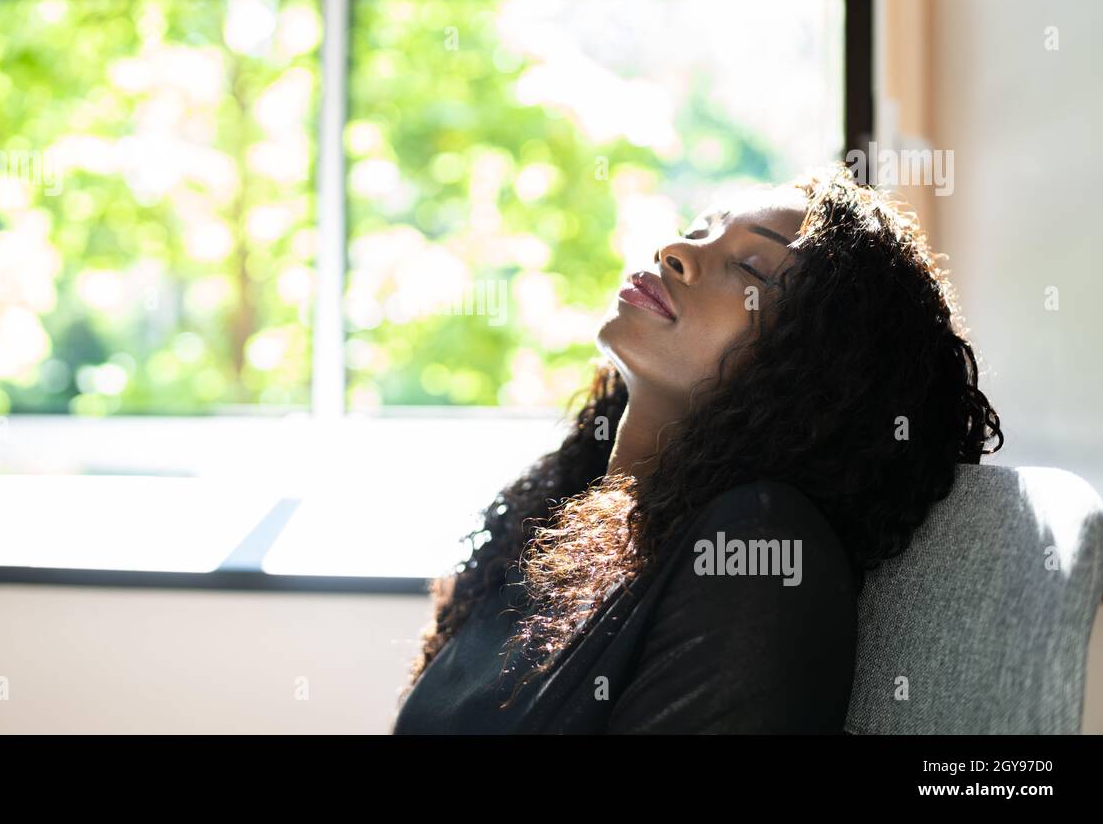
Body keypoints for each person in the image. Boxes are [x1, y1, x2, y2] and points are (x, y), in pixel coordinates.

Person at [392, 164, 1003, 734]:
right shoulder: (565, 513)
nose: (675, 253)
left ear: (822, 368)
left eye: (752, 270)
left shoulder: (754, 548)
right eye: (694, 232)